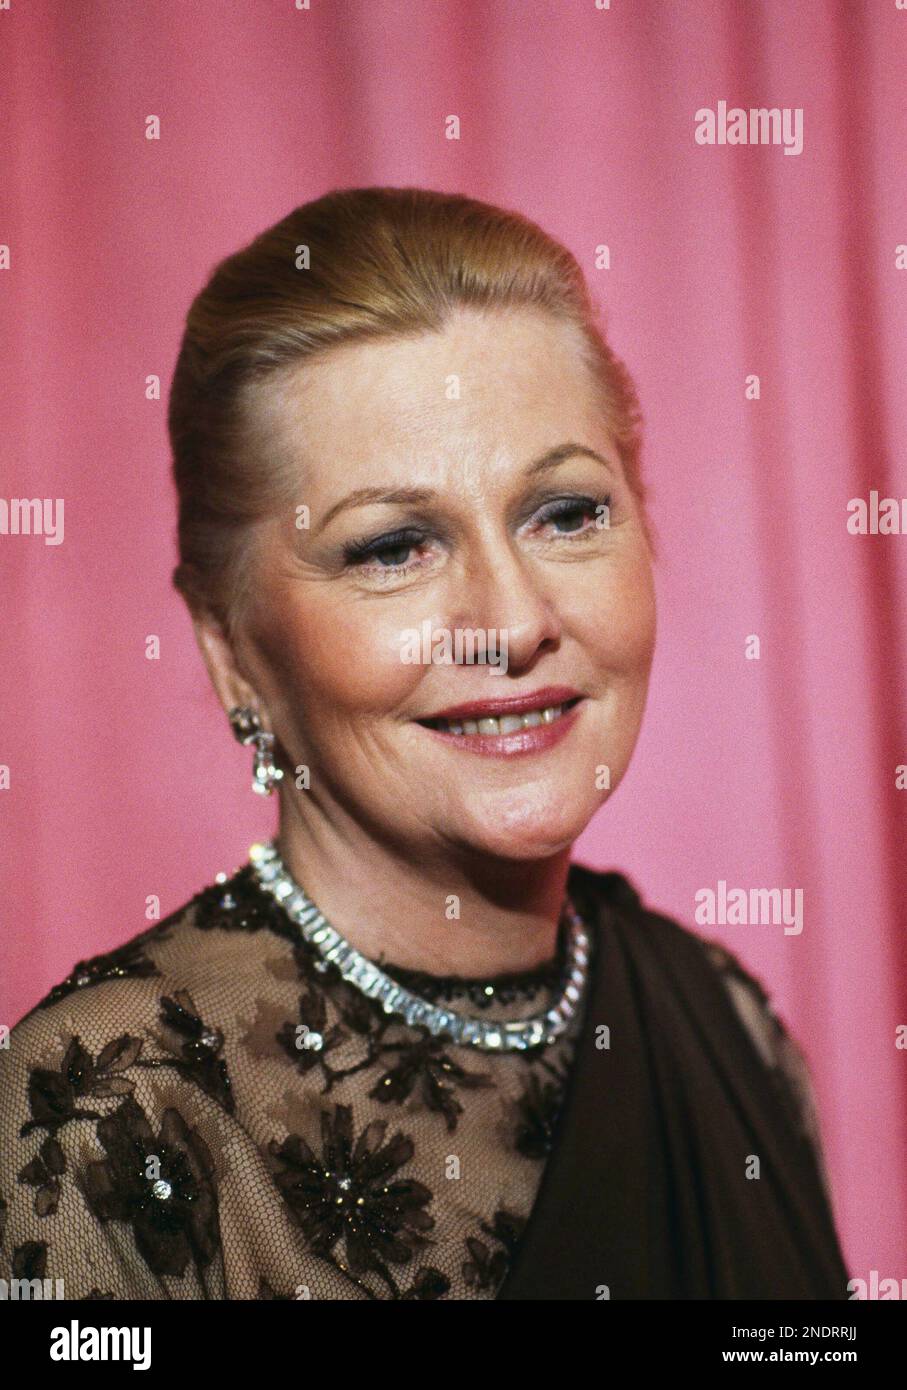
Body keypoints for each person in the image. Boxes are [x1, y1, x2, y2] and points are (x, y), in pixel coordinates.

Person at [0, 187, 849, 1300]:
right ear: (229, 650)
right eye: (393, 545)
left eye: (565, 514)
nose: (510, 620)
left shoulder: (725, 1023)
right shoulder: (116, 1108)